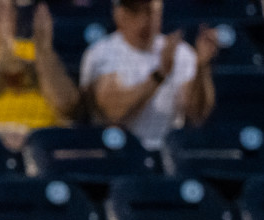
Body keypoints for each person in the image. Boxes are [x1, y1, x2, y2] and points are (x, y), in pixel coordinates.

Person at [79, 0, 218, 151]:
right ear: (119, 14)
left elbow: (196, 114)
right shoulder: (101, 53)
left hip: (168, 151)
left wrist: (202, 67)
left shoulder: (181, 53)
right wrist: (159, 76)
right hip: (120, 152)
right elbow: (113, 114)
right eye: (135, 12)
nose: (144, 20)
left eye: (150, 12)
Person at [0, 0, 80, 148]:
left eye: (5, 8)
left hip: (42, 141)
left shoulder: (33, 50)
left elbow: (67, 105)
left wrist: (44, 52)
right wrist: (1, 50)